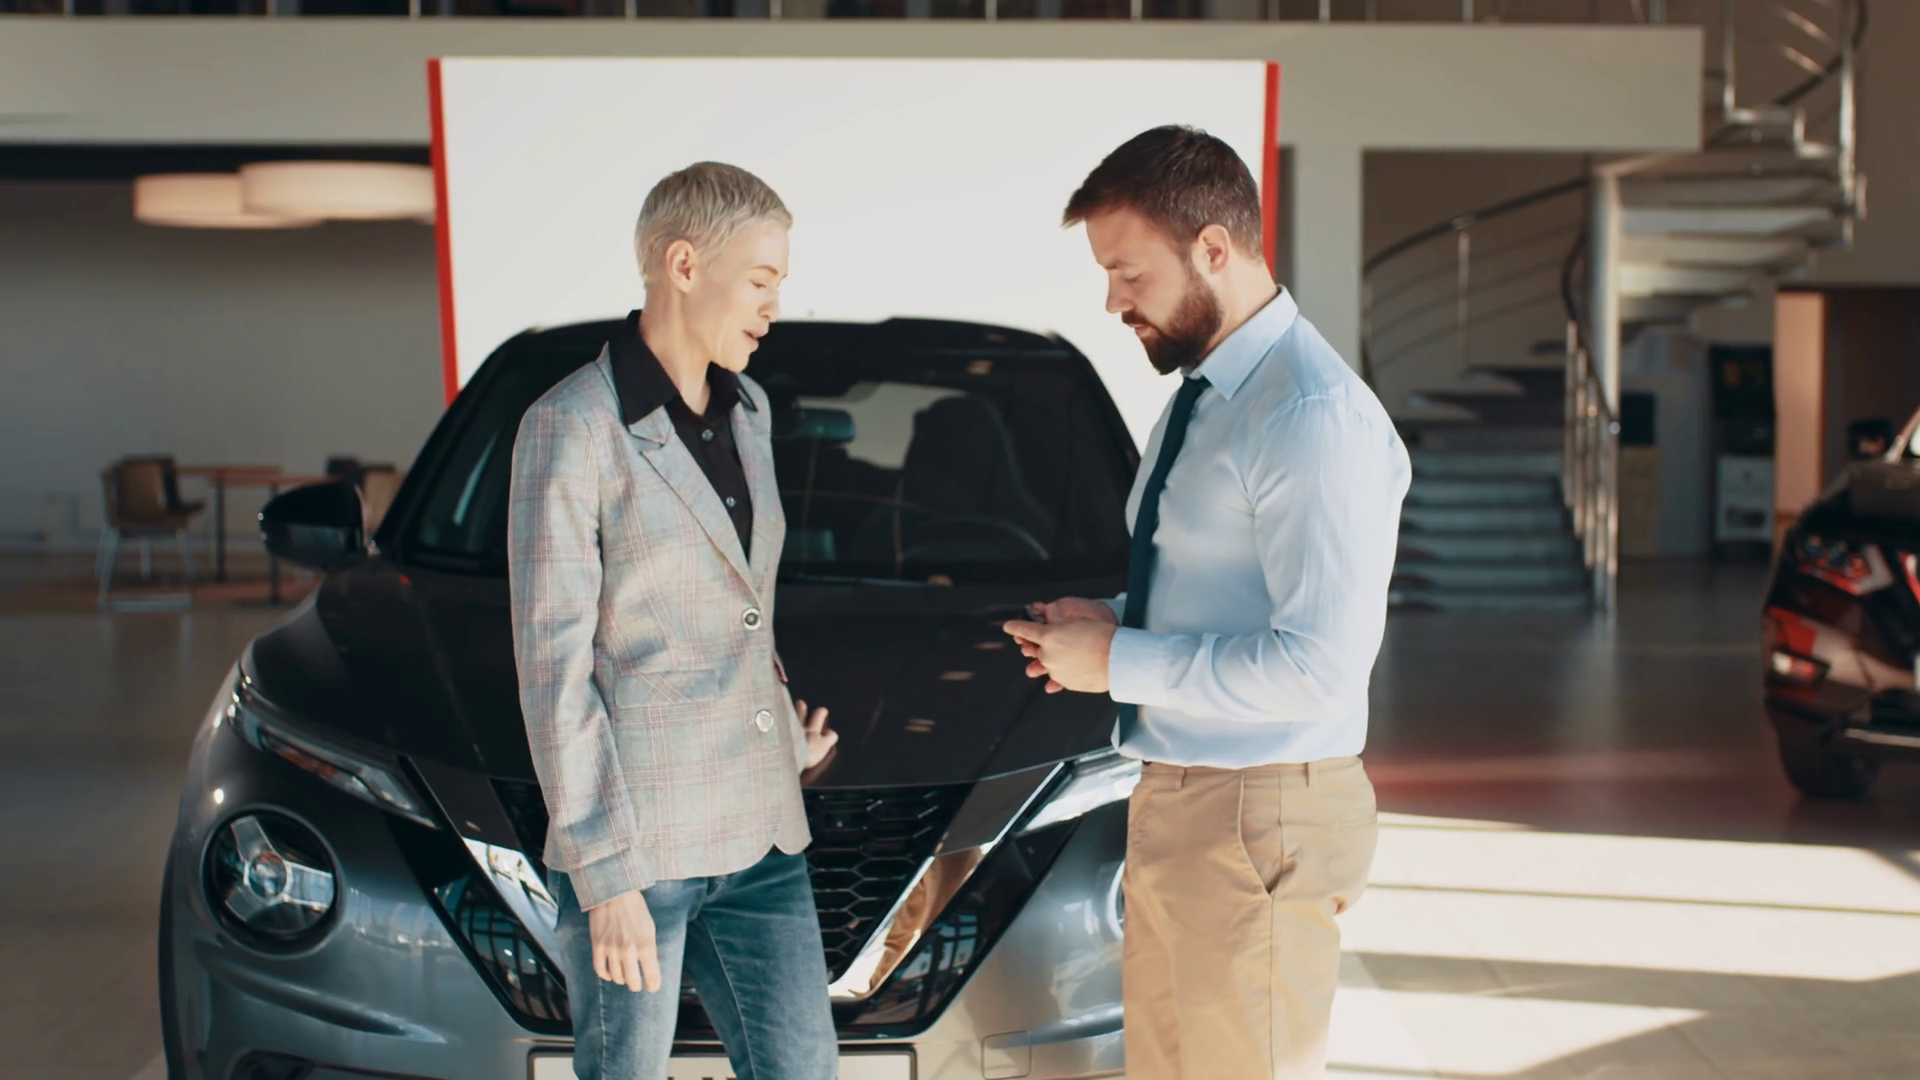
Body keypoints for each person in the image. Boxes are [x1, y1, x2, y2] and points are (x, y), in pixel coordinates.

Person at [1002, 126, 1411, 1080]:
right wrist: (1113, 619)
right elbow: (1219, 585)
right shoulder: (1211, 398)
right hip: (1186, 804)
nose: (1112, 301)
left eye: (1129, 273)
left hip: (1257, 808)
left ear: (1214, 250)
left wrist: (1119, 665)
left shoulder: (1310, 417)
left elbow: (1319, 664)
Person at [507, 161, 841, 1080]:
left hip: (763, 833)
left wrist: (778, 731)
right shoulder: (572, 426)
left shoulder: (750, 410)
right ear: (684, 265)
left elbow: (740, 607)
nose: (775, 306)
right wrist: (602, 874)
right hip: (639, 846)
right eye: (762, 281)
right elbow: (554, 669)